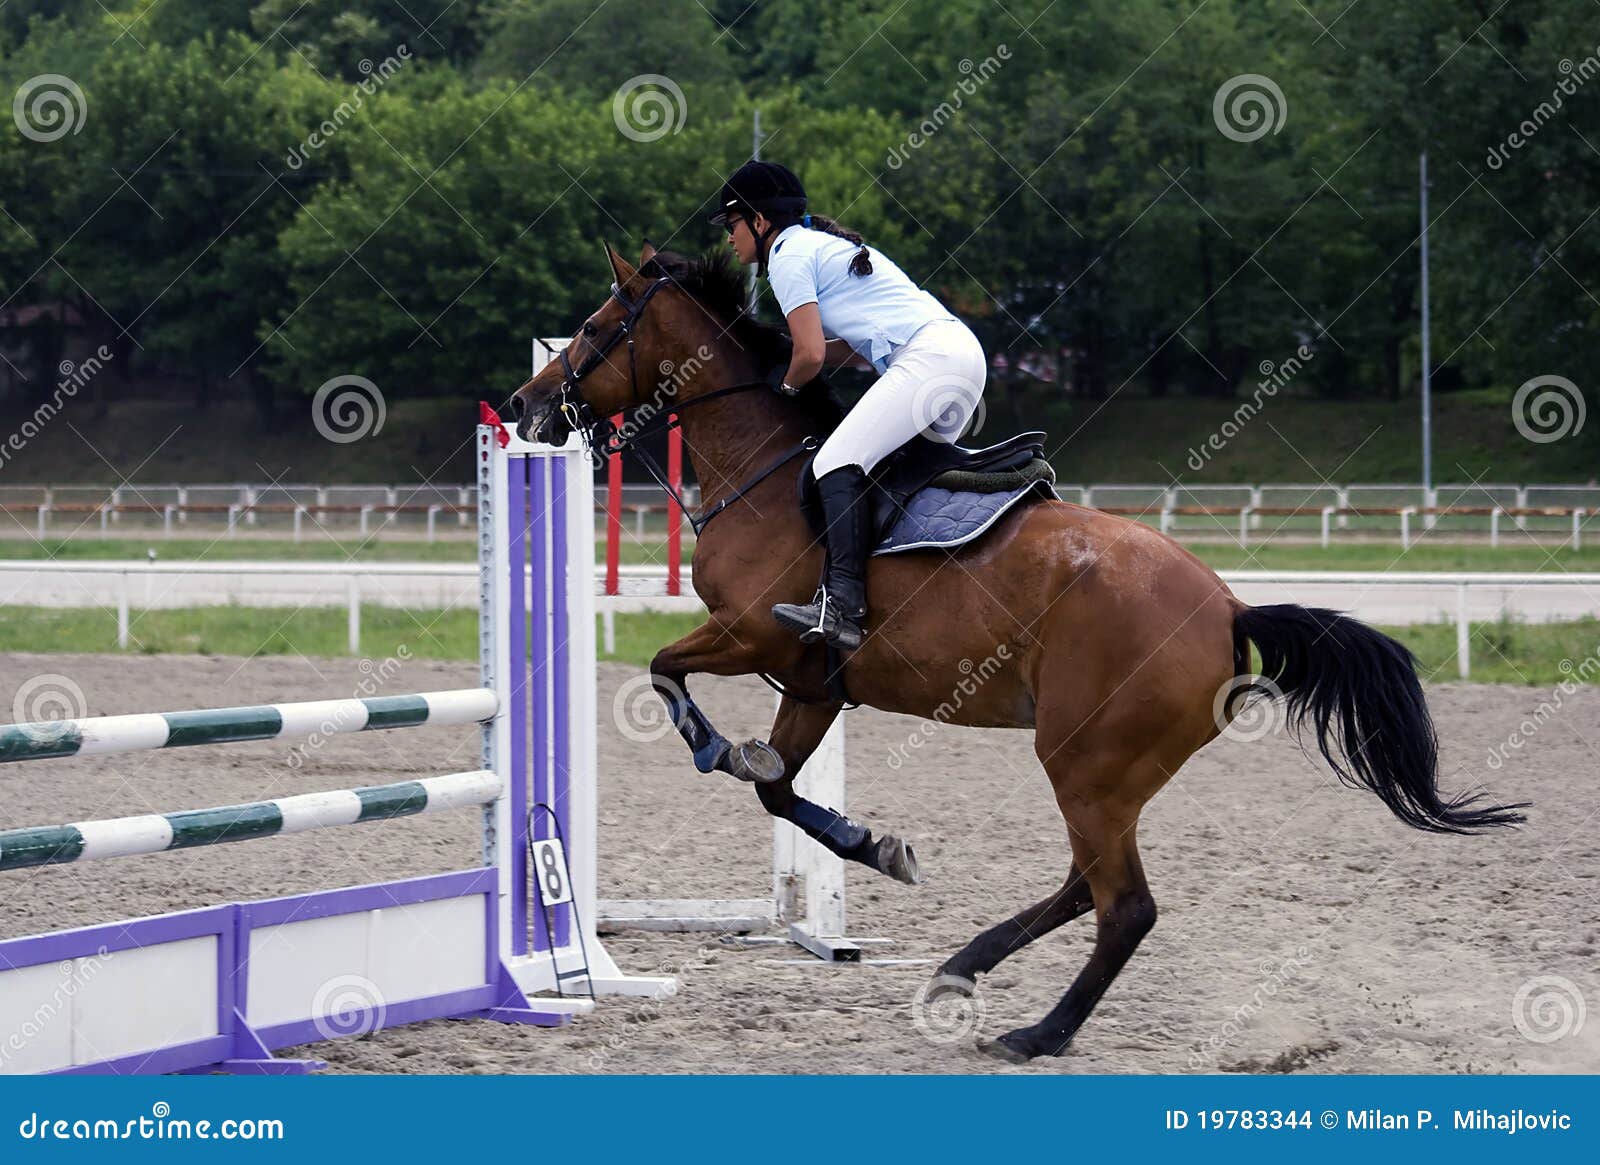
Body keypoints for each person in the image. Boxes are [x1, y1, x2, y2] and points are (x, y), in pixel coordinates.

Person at [710, 160, 988, 653]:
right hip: (961, 361)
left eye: (731, 224)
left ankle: (840, 605)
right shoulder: (821, 246)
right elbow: (849, 350)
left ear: (758, 221)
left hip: (931, 360)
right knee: (891, 476)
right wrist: (792, 349)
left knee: (836, 461)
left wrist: (786, 391)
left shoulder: (788, 255)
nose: (729, 238)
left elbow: (811, 355)